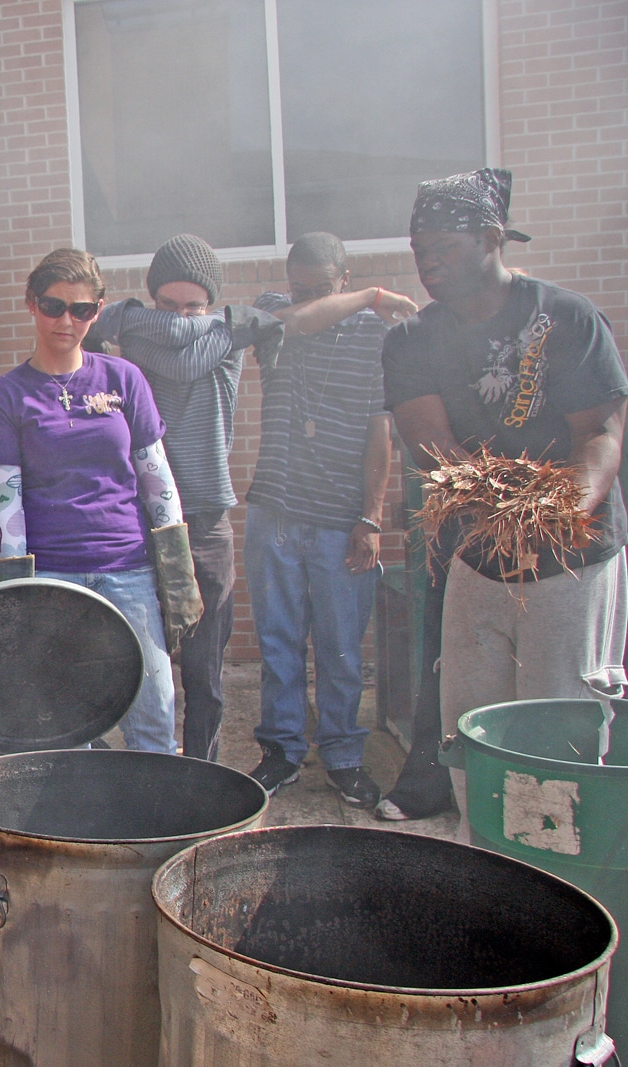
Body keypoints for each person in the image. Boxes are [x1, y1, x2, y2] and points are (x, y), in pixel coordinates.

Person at [383, 167, 628, 840]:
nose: (429, 261)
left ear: (493, 238)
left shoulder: (568, 318)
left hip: (572, 559)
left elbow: (600, 435)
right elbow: (430, 439)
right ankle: (484, 851)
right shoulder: (411, 339)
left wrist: (555, 515)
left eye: (446, 246)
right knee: (471, 721)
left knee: (560, 723)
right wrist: (496, 515)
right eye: (419, 248)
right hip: (476, 555)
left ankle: (565, 869)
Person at [0, 248, 201, 755]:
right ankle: (75, 830)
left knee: (154, 718)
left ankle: (154, 829)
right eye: (54, 306)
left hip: (131, 571)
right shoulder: (7, 396)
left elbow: (157, 479)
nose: (67, 320)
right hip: (53, 578)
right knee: (63, 729)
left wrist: (177, 572)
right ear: (31, 304)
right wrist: (17, 592)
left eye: (81, 310)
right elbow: (6, 503)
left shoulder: (124, 379)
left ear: (97, 311)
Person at [88, 235, 283, 760]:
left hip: (206, 521)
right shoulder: (225, 329)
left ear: (210, 305)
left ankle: (203, 772)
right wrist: (231, 318)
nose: (179, 319)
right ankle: (145, 768)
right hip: (138, 521)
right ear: (154, 302)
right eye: (166, 305)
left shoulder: (217, 344)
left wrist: (129, 320)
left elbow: (178, 357)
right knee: (139, 667)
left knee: (205, 674)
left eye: (194, 306)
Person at [242, 233, 418, 805]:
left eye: (322, 286)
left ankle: (343, 756)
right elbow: (299, 323)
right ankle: (283, 752)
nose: (309, 295)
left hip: (341, 517)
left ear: (341, 278)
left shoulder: (378, 338)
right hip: (276, 509)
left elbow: (380, 430)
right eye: (302, 286)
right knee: (279, 643)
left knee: (342, 648)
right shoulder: (273, 312)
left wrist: (369, 519)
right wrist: (371, 294)